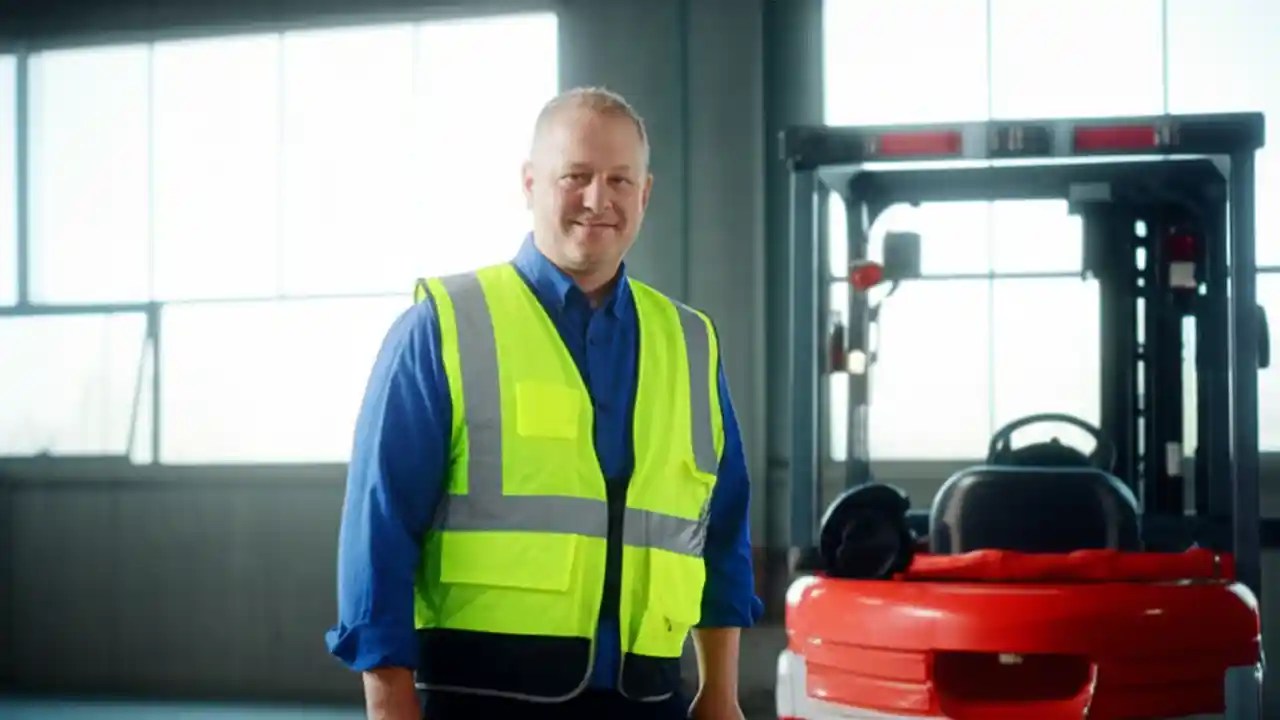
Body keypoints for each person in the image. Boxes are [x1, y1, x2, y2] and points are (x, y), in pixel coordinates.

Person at [325, 86, 763, 720]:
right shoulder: (444, 327)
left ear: (645, 194)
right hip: (481, 698)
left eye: (619, 179)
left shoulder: (691, 341)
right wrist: (388, 701)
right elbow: (379, 525)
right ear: (530, 183)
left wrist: (718, 691)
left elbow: (721, 529)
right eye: (576, 176)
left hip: (650, 700)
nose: (597, 199)